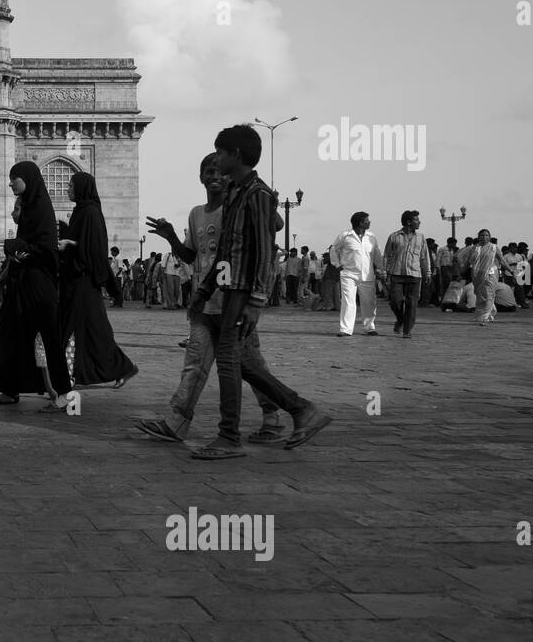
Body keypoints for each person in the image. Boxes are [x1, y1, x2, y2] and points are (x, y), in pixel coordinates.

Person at [187, 125, 332, 459]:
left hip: (242, 292)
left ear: (236, 155)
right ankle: (301, 412)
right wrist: (205, 289)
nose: (217, 159)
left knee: (229, 361)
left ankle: (229, 437)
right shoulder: (236, 191)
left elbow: (266, 251)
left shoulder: (258, 195)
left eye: (221, 153)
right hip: (226, 287)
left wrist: (256, 301)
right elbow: (226, 249)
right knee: (234, 360)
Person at [140, 153, 285, 443]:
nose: (214, 176)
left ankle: (273, 417)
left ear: (230, 176)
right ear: (200, 177)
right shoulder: (197, 213)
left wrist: (269, 205)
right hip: (206, 301)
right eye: (208, 171)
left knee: (251, 366)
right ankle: (177, 421)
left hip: (235, 301)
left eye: (219, 171)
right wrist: (171, 238)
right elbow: (192, 256)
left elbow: (276, 226)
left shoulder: (239, 207)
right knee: (195, 363)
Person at [0, 161, 73, 412]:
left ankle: (64, 394)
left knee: (49, 340)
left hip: (38, 288)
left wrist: (15, 246)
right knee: (8, 337)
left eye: (15, 178)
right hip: (23, 286)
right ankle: (1, 390)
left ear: (28, 179)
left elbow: (47, 250)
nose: (10, 183)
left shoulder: (41, 208)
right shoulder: (32, 208)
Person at [57, 172, 138, 388]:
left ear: (83, 188)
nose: (68, 189)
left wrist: (70, 244)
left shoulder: (90, 213)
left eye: (71, 185)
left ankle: (68, 378)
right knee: (94, 331)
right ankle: (119, 367)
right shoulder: (81, 212)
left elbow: (93, 250)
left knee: (76, 329)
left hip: (83, 282)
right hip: (76, 281)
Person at [330, 212, 386, 336]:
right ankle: (346, 329)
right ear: (360, 223)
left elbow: (377, 254)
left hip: (367, 274)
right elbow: (334, 249)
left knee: (369, 302)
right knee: (348, 301)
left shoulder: (372, 237)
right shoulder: (345, 235)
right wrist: (337, 264)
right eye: (367, 220)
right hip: (349, 274)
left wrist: (380, 269)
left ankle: (369, 327)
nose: (369, 222)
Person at [383, 210, 433, 339]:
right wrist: (384, 271)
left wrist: (427, 272)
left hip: (415, 275)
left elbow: (424, 256)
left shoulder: (421, 237)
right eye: (416, 220)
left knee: (412, 304)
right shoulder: (394, 236)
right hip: (397, 273)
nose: (419, 222)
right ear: (408, 222)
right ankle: (400, 320)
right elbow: (387, 255)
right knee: (395, 301)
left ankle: (407, 330)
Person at [470, 228, 507, 325]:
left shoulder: (494, 248)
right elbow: (469, 261)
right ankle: (491, 312)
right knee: (481, 295)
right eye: (482, 235)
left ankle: (484, 317)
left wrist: (511, 271)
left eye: (486, 235)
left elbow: (502, 261)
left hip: (490, 274)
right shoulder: (475, 248)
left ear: (489, 237)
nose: (484, 237)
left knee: (489, 294)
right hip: (477, 275)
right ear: (478, 237)